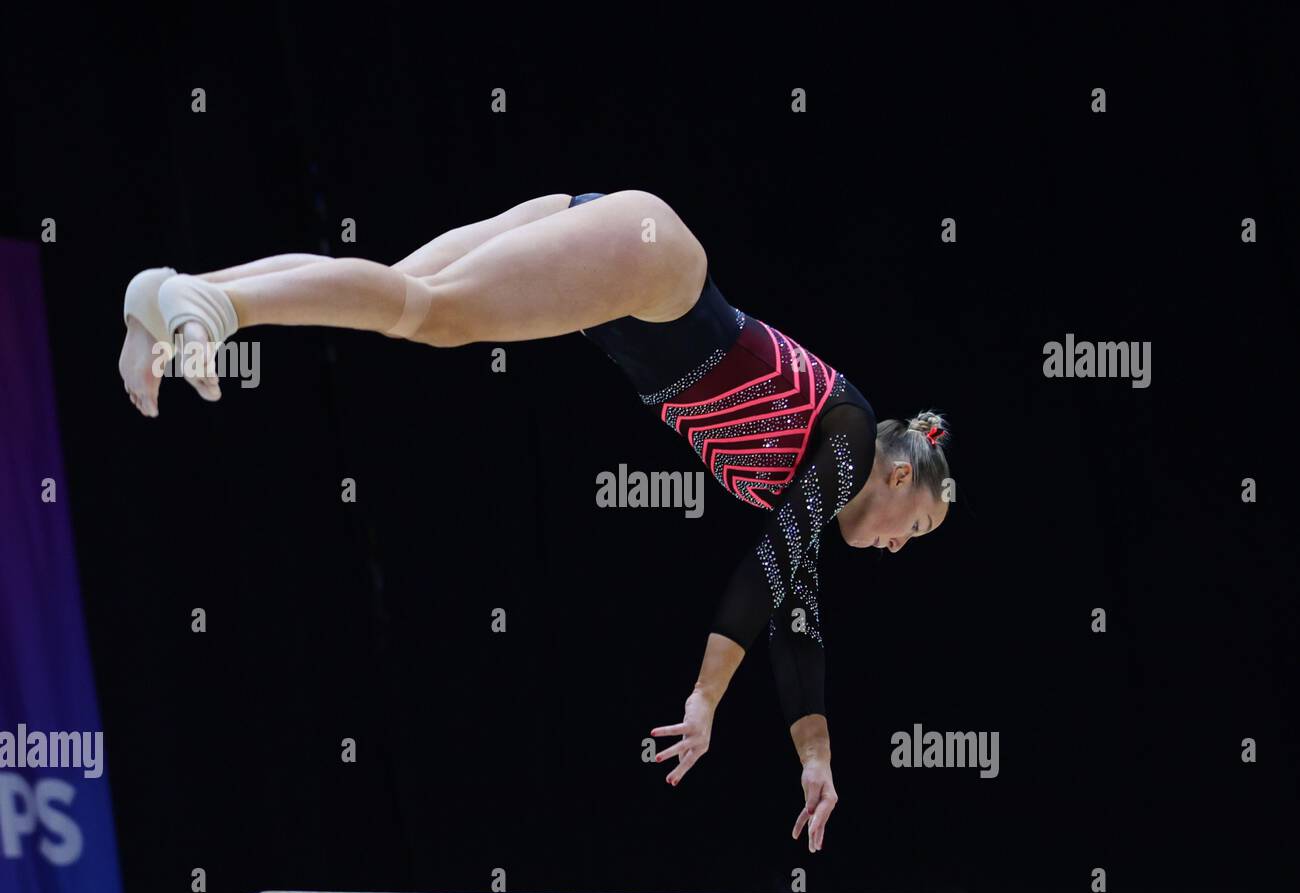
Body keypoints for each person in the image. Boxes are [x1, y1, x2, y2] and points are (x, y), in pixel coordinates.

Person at [118, 189, 951, 852]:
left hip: (621, 257)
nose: (894, 546)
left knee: (396, 291)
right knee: (428, 311)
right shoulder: (849, 432)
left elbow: (795, 621)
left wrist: (816, 759)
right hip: (649, 270)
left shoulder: (820, 474)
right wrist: (703, 699)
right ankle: (212, 310)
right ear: (901, 471)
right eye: (911, 528)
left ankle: (176, 300)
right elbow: (767, 572)